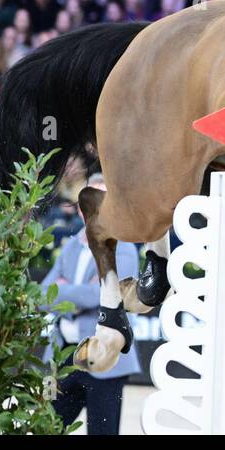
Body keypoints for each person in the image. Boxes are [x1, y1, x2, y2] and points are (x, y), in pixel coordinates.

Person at [42, 177, 141, 435]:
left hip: (105, 361)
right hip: (63, 356)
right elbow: (42, 294)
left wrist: (64, 293)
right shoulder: (72, 244)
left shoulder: (125, 248)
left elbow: (104, 297)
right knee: (47, 428)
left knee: (102, 432)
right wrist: (80, 294)